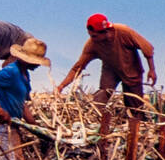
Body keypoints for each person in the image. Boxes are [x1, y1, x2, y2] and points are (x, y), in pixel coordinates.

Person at [55, 14, 157, 148]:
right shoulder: (92, 45)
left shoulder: (123, 32)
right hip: (110, 69)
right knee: (102, 96)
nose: (92, 39)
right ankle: (96, 128)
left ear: (105, 31)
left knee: (134, 105)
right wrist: (61, 86)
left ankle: (139, 134)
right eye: (91, 35)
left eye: (94, 36)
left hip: (130, 69)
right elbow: (77, 67)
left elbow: (147, 48)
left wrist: (152, 70)